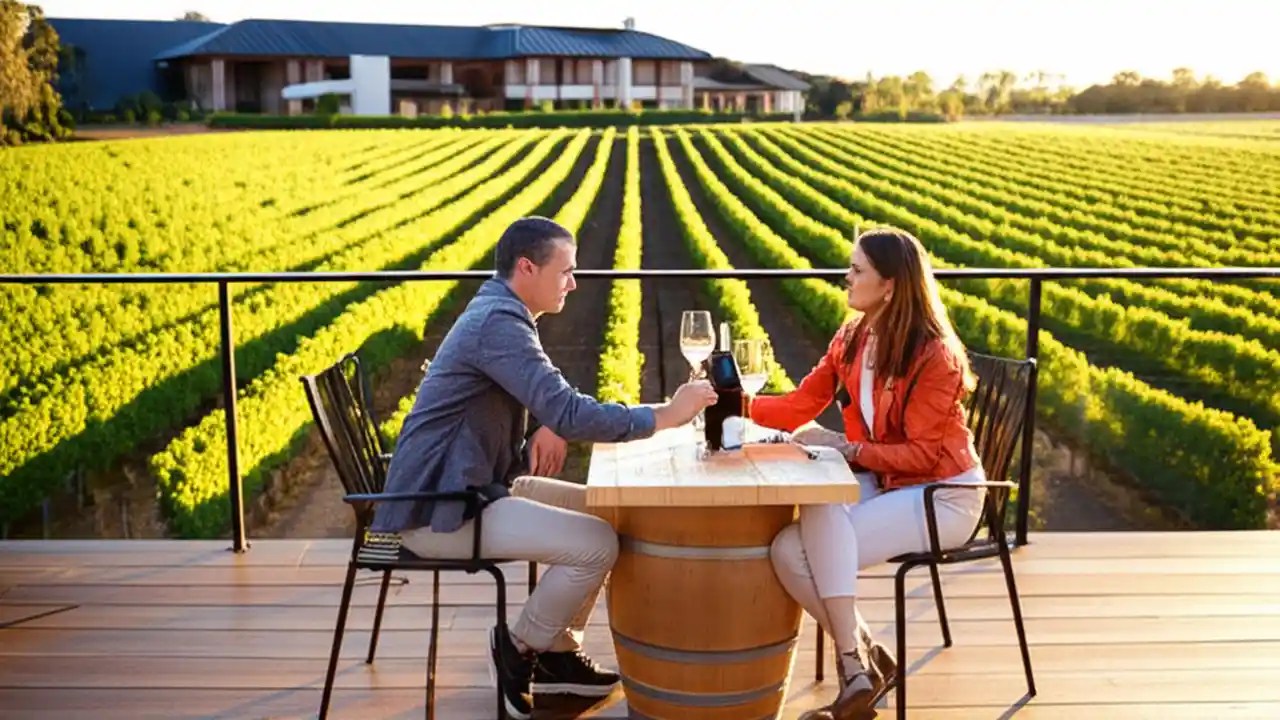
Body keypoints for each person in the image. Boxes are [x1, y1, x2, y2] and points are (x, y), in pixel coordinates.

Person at [371, 216, 717, 720]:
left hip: (473, 488)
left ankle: (558, 654)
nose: (574, 283)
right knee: (597, 544)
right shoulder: (498, 323)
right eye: (566, 271)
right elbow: (570, 410)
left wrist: (545, 420)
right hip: (439, 510)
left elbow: (545, 399)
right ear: (527, 268)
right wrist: (664, 415)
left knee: (608, 514)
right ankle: (519, 648)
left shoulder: (500, 311)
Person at [747, 228, 987, 720]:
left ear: (891, 285)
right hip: (890, 482)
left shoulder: (934, 355)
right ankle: (868, 658)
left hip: (943, 495)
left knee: (814, 535)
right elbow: (801, 405)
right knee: (786, 548)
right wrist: (733, 402)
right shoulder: (853, 335)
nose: (846, 277)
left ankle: (853, 668)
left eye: (857, 270)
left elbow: (923, 455)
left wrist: (846, 446)